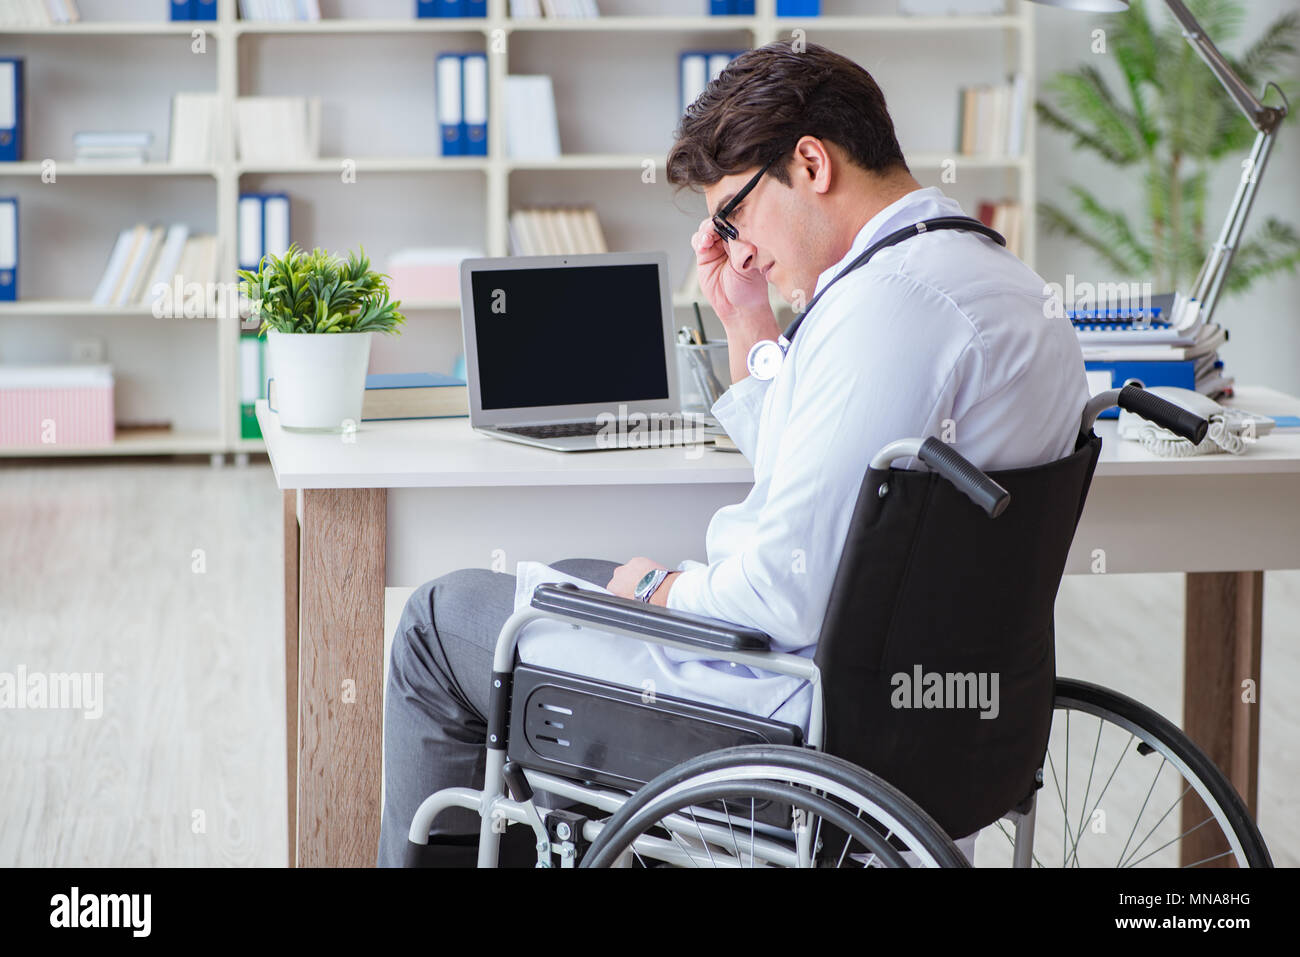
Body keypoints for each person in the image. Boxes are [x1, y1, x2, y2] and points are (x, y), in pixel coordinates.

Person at [377, 39, 1090, 867]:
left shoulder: (884, 309)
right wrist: (749, 324)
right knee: (570, 573)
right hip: (951, 730)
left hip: (804, 729)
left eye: (733, 216)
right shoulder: (997, 281)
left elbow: (779, 592)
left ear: (812, 162)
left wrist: (660, 586)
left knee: (440, 622)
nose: (734, 247)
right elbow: (827, 478)